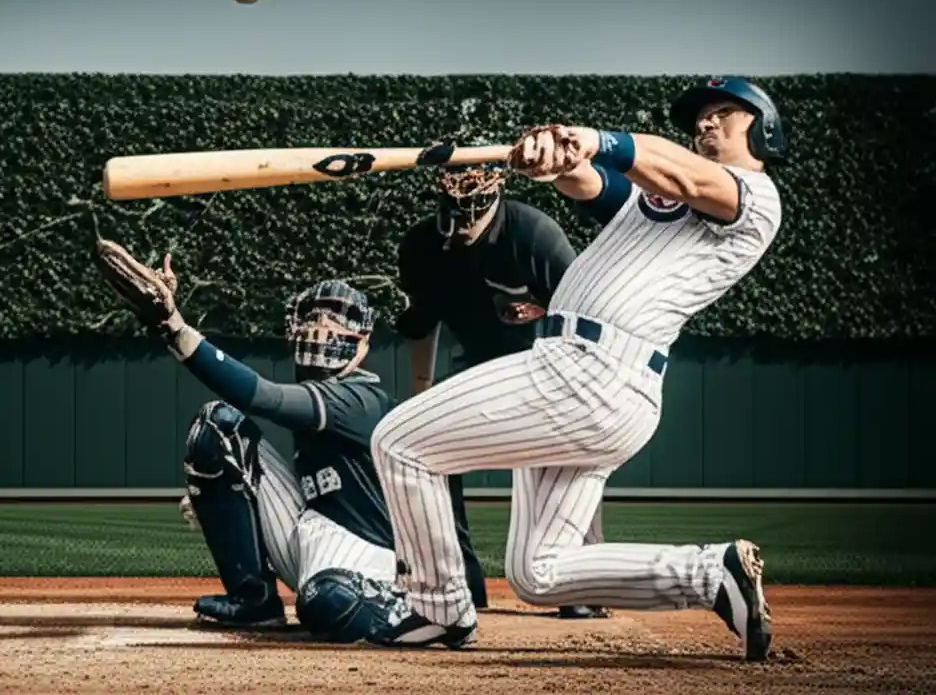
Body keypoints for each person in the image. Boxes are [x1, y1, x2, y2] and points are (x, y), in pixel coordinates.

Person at [365, 76, 786, 661]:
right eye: (701, 117)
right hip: (592, 379)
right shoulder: (659, 204)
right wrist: (558, 161)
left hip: (591, 371)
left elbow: (681, 173)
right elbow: (597, 185)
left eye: (724, 113)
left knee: (399, 440)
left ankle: (437, 609)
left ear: (763, 129)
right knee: (538, 573)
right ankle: (712, 576)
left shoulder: (754, 198)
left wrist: (592, 137)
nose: (706, 123)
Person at [92, 239, 480, 643]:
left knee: (325, 602)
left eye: (336, 322)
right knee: (216, 426)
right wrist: (231, 500)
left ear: (363, 344)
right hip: (313, 533)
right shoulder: (322, 391)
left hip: (370, 557)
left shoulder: (358, 398)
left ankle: (417, 613)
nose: (322, 329)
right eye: (313, 319)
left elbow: (262, 395)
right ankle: (253, 602)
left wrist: (173, 325)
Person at [393, 158, 607, 620]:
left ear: (498, 195)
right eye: (455, 205)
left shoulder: (533, 233)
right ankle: (460, 586)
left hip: (547, 367)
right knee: (426, 446)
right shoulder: (421, 246)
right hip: (478, 366)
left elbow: (580, 316)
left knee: (566, 462)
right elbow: (420, 326)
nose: (464, 218)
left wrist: (578, 392)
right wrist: (421, 392)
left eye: (476, 205)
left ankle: (580, 587)